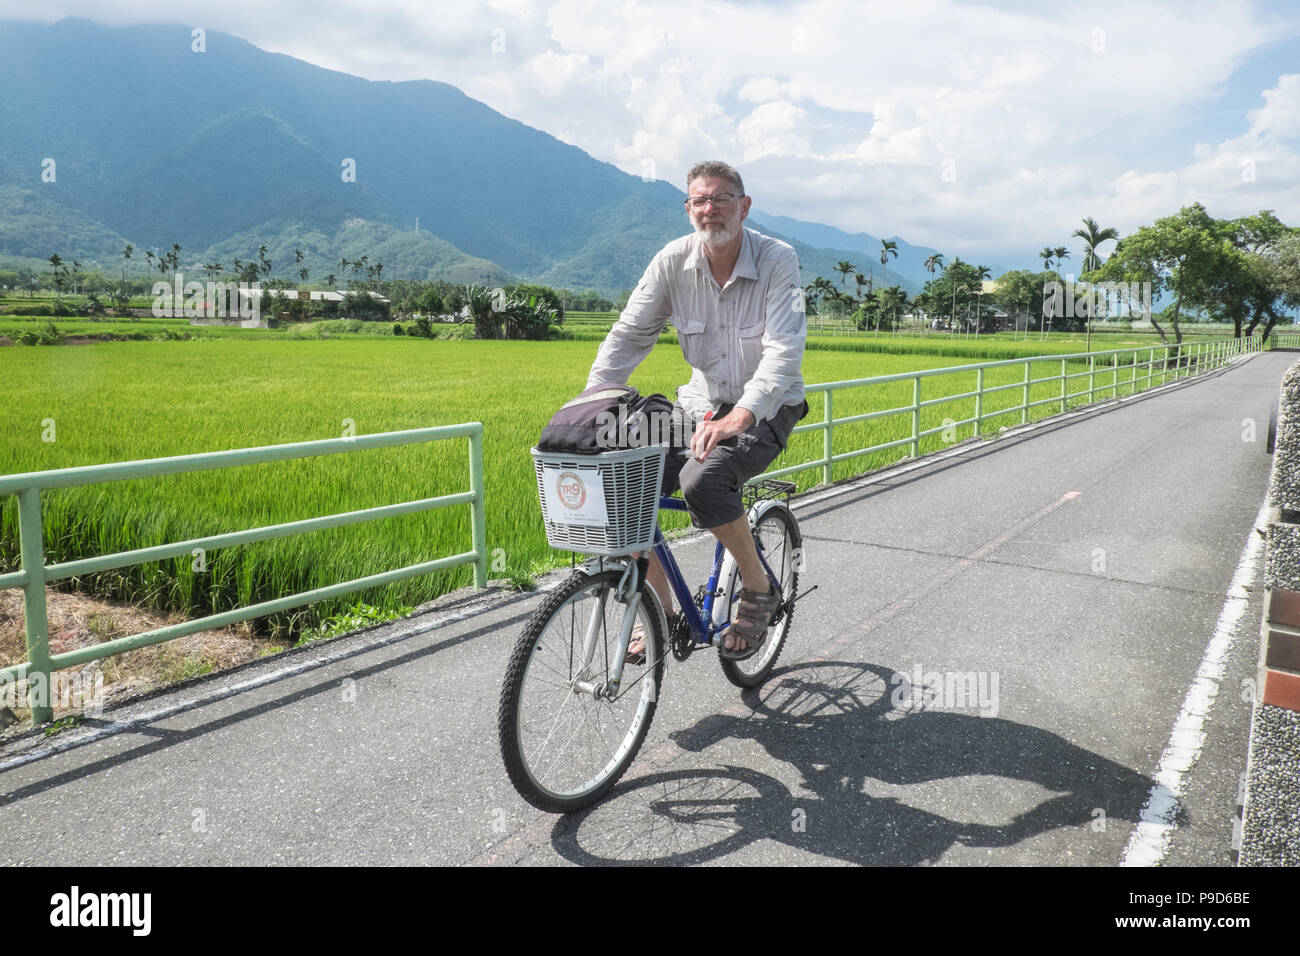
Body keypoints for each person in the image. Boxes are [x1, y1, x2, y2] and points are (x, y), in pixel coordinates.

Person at [586, 160, 807, 660]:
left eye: (721, 199)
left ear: (744, 206)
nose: (710, 210)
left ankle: (756, 588)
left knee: (702, 482)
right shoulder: (671, 261)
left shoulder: (778, 260)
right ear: (688, 210)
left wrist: (741, 416)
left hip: (767, 406)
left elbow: (783, 350)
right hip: (700, 404)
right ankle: (660, 610)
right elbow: (629, 335)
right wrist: (592, 399)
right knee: (623, 471)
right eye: (699, 201)